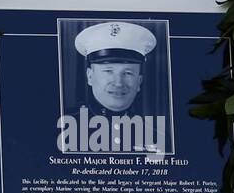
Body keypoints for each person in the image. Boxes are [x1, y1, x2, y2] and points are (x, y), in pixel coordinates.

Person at [67, 20, 165, 153]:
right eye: (108, 71)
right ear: (90, 76)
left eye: (128, 73)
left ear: (139, 82)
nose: (118, 83)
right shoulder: (64, 130)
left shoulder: (157, 137)